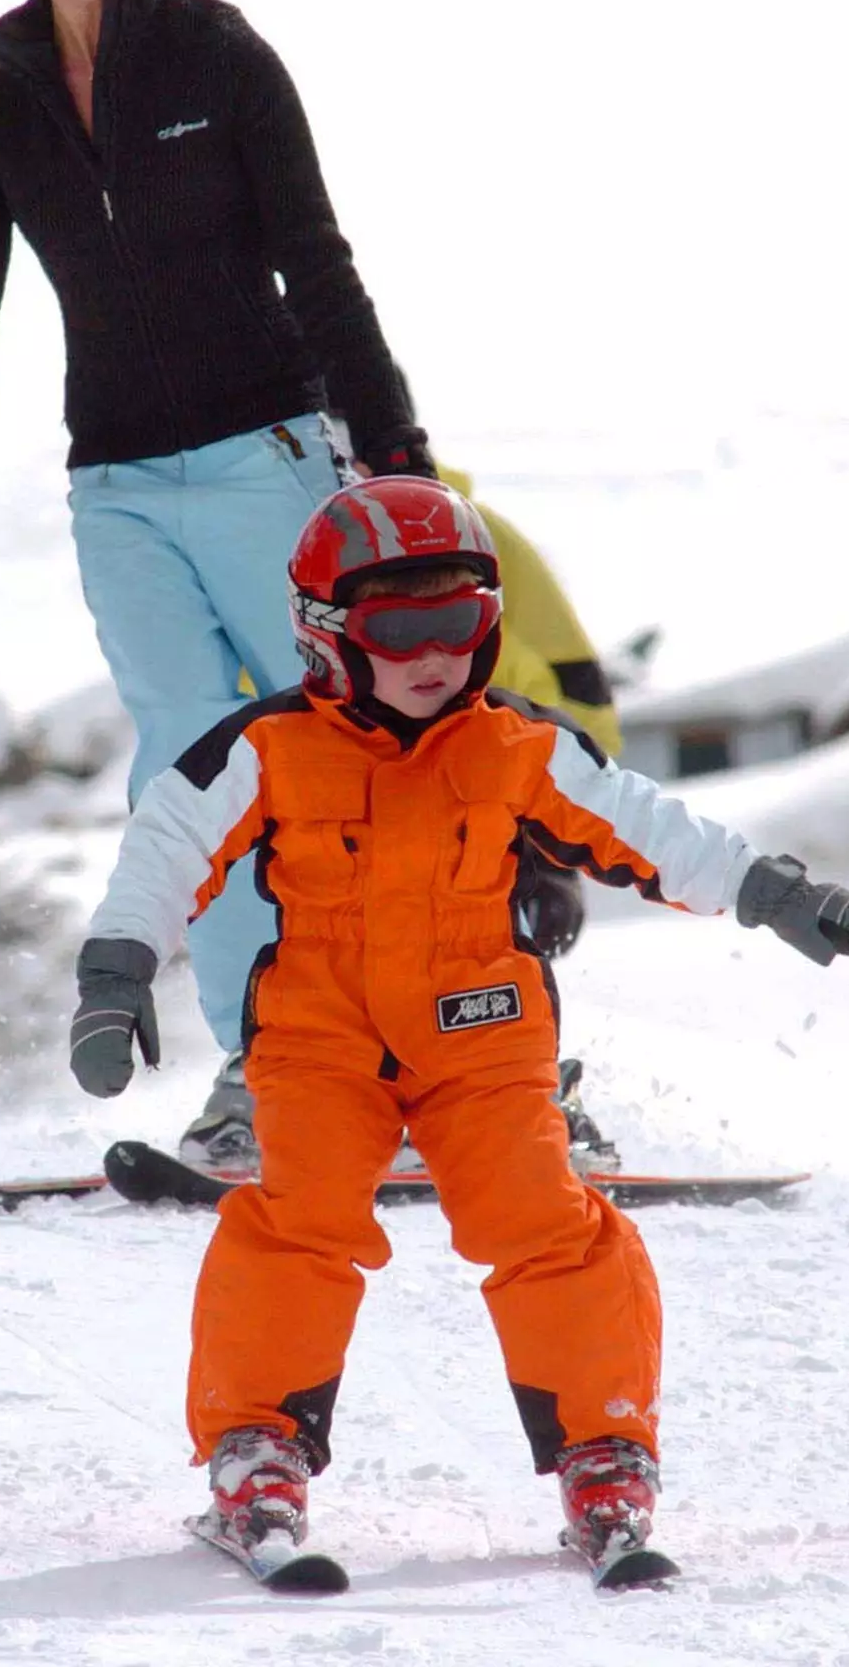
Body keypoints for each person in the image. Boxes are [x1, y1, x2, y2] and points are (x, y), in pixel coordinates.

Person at [66, 475, 849, 1570]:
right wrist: (116, 973)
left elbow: (648, 826)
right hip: (319, 1040)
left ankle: (602, 1457)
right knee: (298, 1221)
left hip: (483, 1037)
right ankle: (255, 1453)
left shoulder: (517, 745)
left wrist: (776, 892)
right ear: (324, 634)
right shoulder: (265, 749)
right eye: (398, 629)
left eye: (457, 626)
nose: (432, 657)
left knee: (543, 1223)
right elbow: (165, 847)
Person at [0, 0, 433, 1073]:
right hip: (117, 488)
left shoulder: (219, 57)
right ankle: (268, 1067)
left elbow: (318, 262)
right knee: (190, 775)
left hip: (271, 459)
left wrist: (392, 454)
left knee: (341, 752)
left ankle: (435, 1036)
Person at [179, 461, 624, 1173]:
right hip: (347, 783)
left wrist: (560, 830)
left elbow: (573, 669)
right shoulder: (306, 545)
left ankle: (532, 1104)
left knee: (481, 942)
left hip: (489, 776)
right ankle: (281, 1096)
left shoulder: (472, 535)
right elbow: (258, 680)